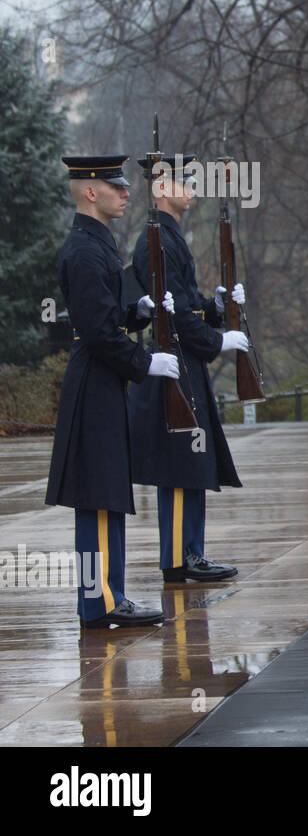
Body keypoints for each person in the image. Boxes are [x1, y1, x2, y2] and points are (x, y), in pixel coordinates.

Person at [45, 155, 178, 627]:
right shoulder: (84, 250)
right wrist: (145, 362)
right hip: (96, 381)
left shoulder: (97, 244)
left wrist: (136, 312)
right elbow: (98, 332)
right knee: (98, 496)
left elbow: (107, 314)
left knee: (106, 494)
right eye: (114, 186)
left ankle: (107, 595)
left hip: (103, 379)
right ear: (89, 192)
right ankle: (100, 601)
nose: (125, 193)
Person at [128, 152, 244, 583]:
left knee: (193, 462)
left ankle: (191, 549)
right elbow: (172, 319)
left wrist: (214, 310)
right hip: (173, 365)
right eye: (184, 182)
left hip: (184, 363)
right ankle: (179, 556)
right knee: (179, 464)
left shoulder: (171, 238)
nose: (193, 189)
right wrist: (217, 341)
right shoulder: (155, 242)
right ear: (162, 188)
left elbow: (187, 304)